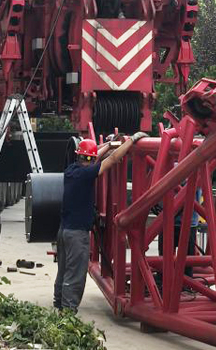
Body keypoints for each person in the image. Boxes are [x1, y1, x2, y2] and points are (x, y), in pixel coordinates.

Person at [53, 131, 146, 312]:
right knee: (76, 273)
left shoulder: (71, 170)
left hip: (63, 231)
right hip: (77, 234)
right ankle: (68, 311)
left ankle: (59, 302)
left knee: (63, 269)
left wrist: (109, 145)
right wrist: (132, 141)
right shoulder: (86, 174)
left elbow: (95, 158)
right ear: (89, 159)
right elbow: (112, 160)